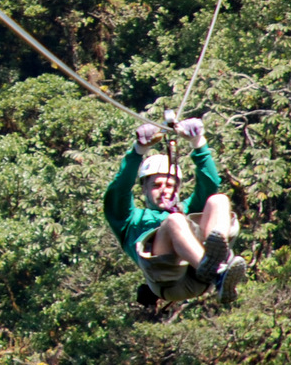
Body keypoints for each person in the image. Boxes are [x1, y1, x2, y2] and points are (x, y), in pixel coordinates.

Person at [104, 118, 246, 304]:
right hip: (168, 282)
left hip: (200, 278)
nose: (165, 190)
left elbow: (210, 183)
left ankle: (215, 263)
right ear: (144, 189)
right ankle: (217, 270)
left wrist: (198, 142)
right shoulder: (131, 220)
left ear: (178, 189)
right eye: (156, 185)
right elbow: (119, 190)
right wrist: (138, 150)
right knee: (174, 221)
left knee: (218, 200)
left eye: (170, 185)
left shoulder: (186, 209)